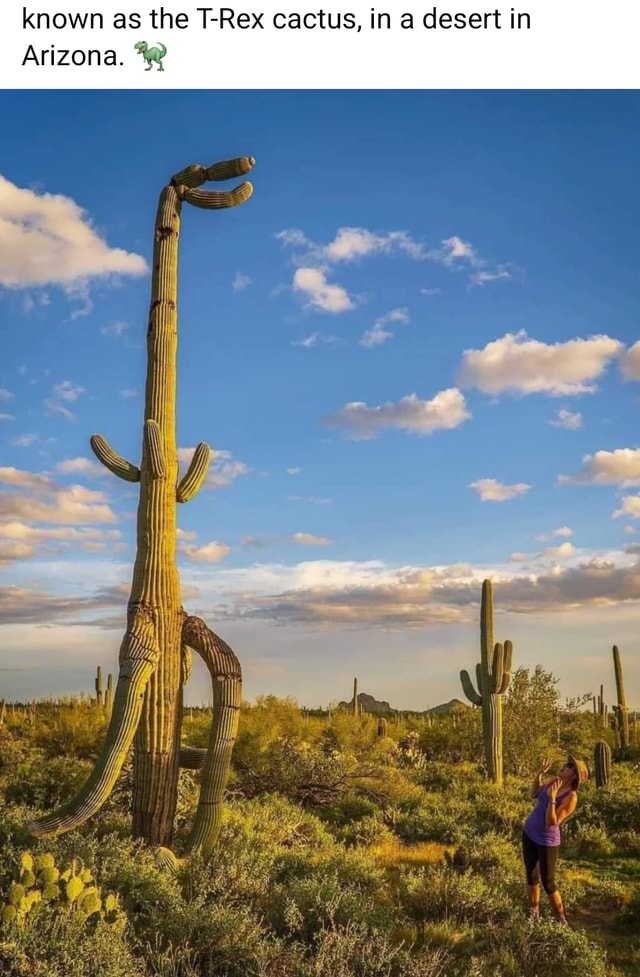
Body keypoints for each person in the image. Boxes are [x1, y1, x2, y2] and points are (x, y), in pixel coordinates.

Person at [522, 755, 589, 923]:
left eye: (568, 766)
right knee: (531, 875)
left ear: (574, 775)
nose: (563, 767)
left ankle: (561, 919)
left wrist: (552, 800)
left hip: (546, 841)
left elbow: (552, 822)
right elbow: (533, 794)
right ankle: (534, 914)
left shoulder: (571, 797)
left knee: (548, 882)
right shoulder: (553, 781)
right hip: (529, 833)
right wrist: (539, 774)